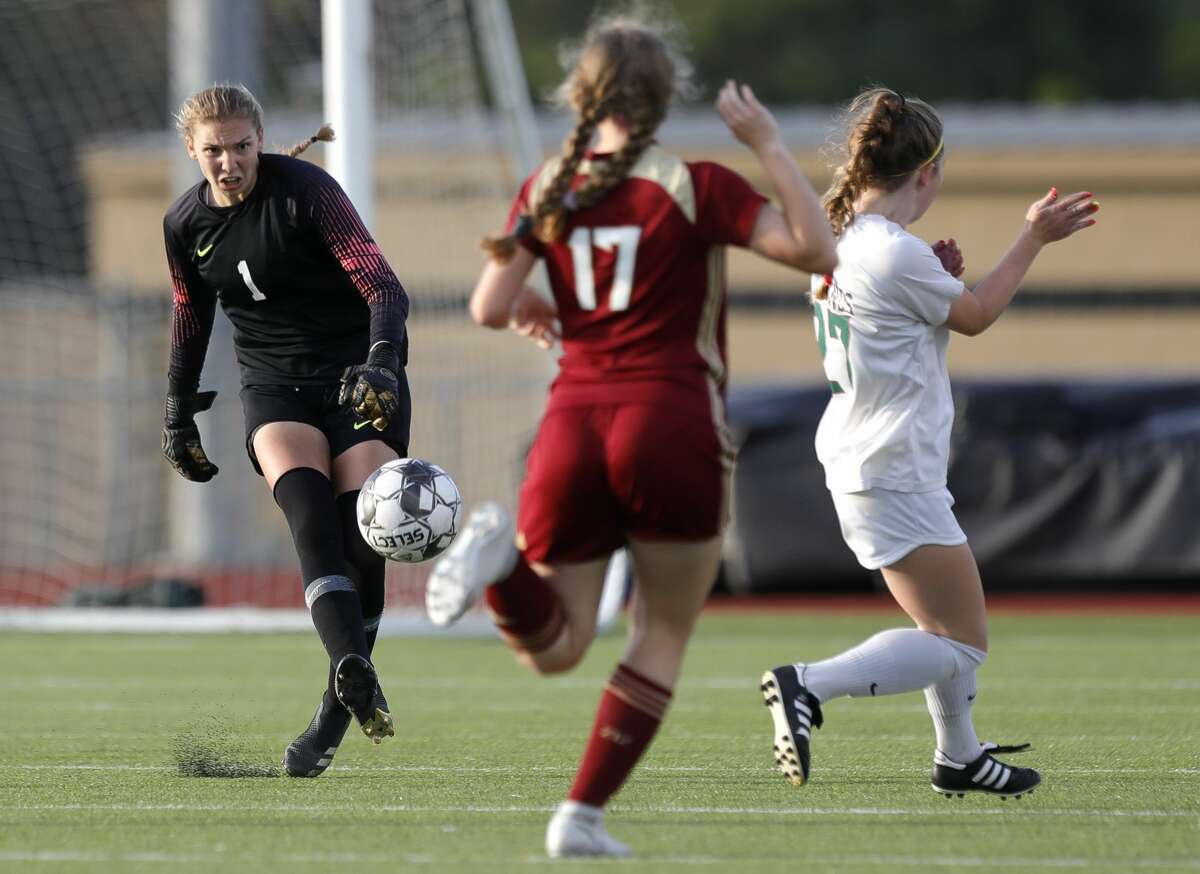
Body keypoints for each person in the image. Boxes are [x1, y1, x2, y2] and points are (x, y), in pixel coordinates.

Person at [423, 15, 837, 858]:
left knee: (556, 648)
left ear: (582, 94)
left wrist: (549, 309)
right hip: (670, 420)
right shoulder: (695, 183)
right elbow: (815, 246)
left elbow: (489, 307)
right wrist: (768, 144)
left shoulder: (549, 186)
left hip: (571, 424)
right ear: (661, 99)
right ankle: (579, 815)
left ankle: (500, 567)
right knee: (662, 632)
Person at [760, 87, 1098, 799]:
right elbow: (975, 316)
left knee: (936, 625)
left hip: (865, 458)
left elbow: (901, 322)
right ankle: (808, 686)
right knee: (962, 642)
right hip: (892, 466)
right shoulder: (890, 251)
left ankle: (960, 757)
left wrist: (935, 280)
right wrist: (1032, 236)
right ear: (928, 172)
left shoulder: (843, 238)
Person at [161, 83, 411, 778]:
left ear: (260, 141)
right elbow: (191, 315)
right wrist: (178, 409)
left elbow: (384, 288)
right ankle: (352, 670)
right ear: (192, 150)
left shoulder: (307, 191)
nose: (228, 162)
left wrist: (383, 364)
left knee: (362, 537)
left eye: (241, 146)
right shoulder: (184, 223)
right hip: (273, 384)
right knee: (307, 512)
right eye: (213, 150)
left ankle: (337, 702)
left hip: (357, 376)